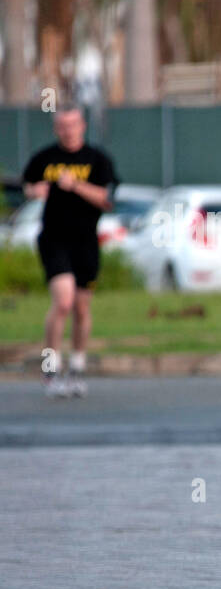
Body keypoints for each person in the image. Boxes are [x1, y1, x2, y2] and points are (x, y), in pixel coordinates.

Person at [21, 106, 118, 398]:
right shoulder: (45, 158)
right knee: (63, 301)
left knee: (81, 307)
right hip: (54, 239)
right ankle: (51, 369)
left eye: (72, 124)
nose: (68, 130)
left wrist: (75, 185)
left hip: (86, 241)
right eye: (62, 125)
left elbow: (108, 199)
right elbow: (27, 185)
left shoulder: (97, 160)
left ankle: (76, 367)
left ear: (82, 125)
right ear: (55, 128)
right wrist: (34, 191)